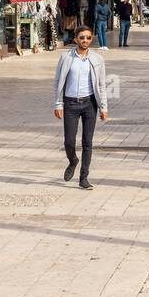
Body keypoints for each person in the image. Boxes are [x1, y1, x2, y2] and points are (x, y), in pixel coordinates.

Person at [54, 26, 109, 189]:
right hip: (70, 103)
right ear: (76, 39)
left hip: (89, 104)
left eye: (88, 38)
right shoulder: (65, 57)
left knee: (87, 142)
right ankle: (73, 160)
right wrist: (58, 103)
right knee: (69, 141)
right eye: (82, 37)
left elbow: (101, 85)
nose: (85, 40)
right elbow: (58, 82)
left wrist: (104, 107)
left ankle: (83, 177)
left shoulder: (97, 59)